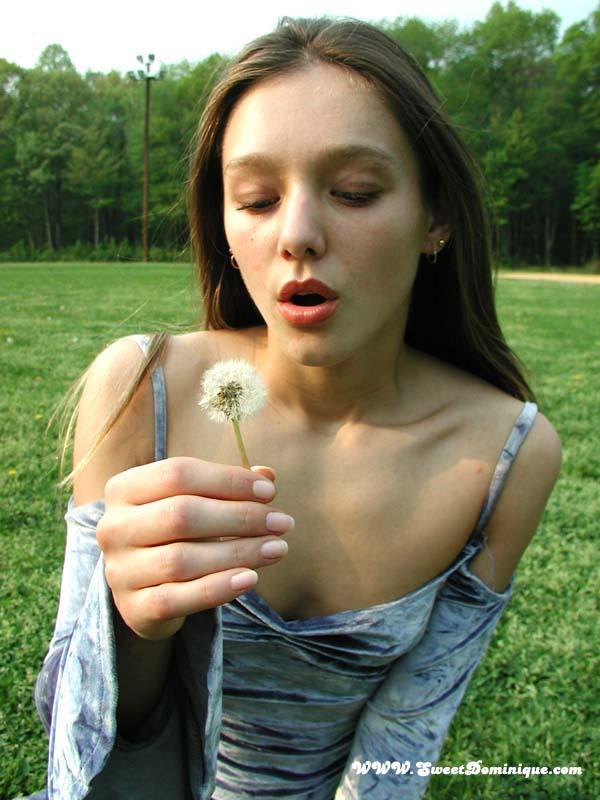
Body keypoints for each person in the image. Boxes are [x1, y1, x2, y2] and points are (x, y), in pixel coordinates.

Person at [25, 16, 561, 800]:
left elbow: (404, 740)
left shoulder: (510, 458)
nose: (298, 234)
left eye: (354, 192)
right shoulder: (141, 390)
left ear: (435, 217)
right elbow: (80, 741)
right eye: (256, 198)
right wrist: (133, 623)